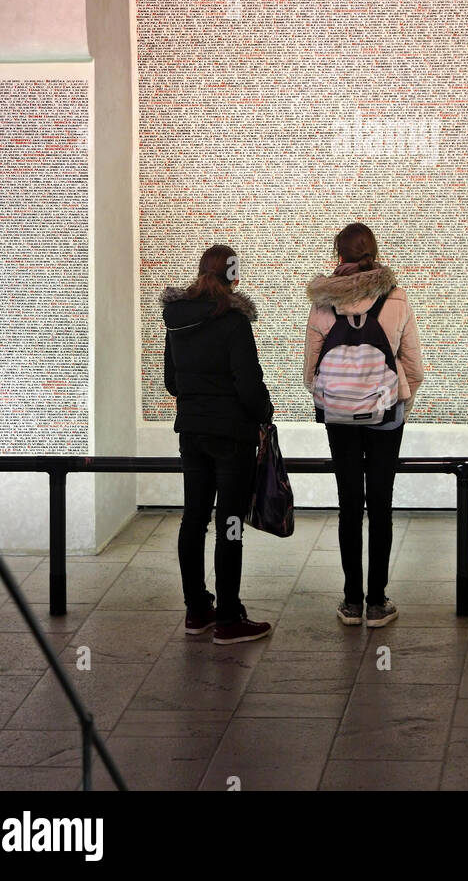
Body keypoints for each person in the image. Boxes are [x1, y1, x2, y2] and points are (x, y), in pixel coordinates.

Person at [304, 223, 424, 627]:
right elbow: (415, 367)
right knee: (381, 505)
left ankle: (351, 601)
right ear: (373, 251)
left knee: (349, 505)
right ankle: (377, 602)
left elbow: (310, 371)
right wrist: (397, 399)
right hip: (386, 414)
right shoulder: (396, 299)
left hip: (339, 418)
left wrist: (336, 397)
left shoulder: (323, 303)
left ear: (339, 256)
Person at [161, 244, 273, 645]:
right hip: (232, 436)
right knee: (229, 522)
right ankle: (228, 617)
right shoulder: (234, 321)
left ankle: (197, 610)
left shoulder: (176, 321)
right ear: (233, 277)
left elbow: (172, 382)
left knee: (194, 518)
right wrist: (265, 413)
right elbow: (248, 384)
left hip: (191, 432)